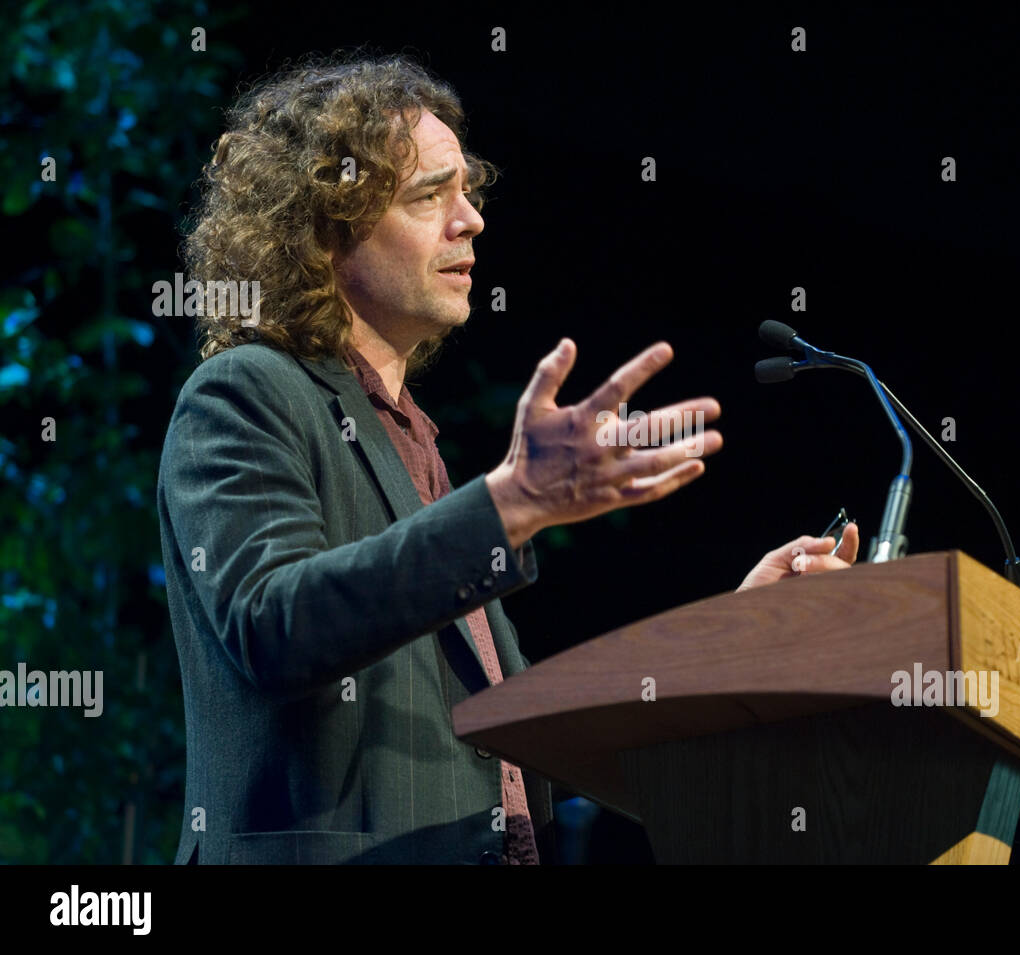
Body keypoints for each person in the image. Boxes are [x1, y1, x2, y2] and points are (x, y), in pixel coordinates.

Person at [158, 53, 860, 865]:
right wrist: (511, 505)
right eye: (431, 195)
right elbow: (271, 626)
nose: (472, 221)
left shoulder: (412, 441)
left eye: (469, 192)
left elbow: (535, 729)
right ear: (323, 228)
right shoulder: (244, 392)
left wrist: (730, 639)